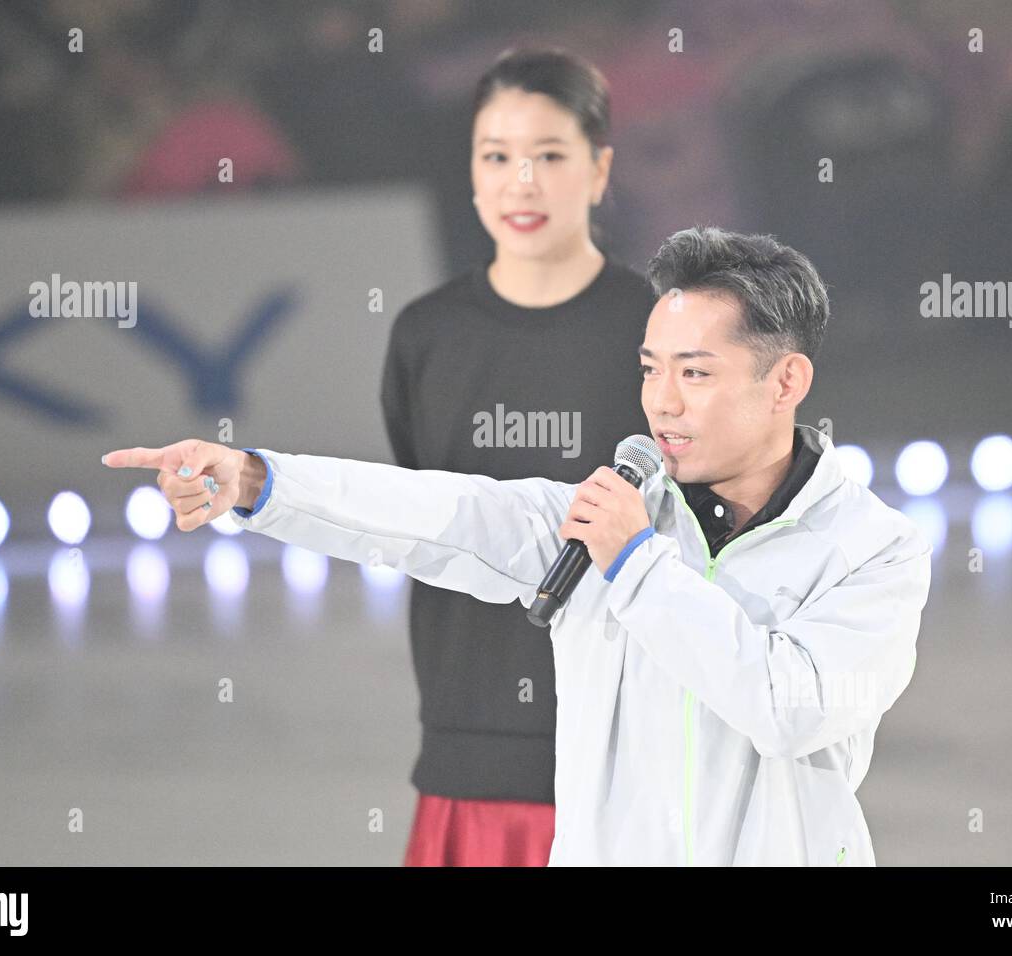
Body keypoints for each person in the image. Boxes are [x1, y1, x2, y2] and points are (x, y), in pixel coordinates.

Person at [104, 226, 932, 866]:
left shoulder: (872, 550)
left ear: (786, 382)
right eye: (651, 369)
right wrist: (258, 480)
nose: (662, 404)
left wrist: (637, 567)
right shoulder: (604, 515)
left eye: (696, 373)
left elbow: (790, 709)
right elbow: (439, 516)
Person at [377, 48, 654, 866]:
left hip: (628, 757)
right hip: (472, 762)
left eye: (549, 156)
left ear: (600, 170)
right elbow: (424, 520)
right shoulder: (425, 336)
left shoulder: (657, 331)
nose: (520, 182)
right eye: (496, 156)